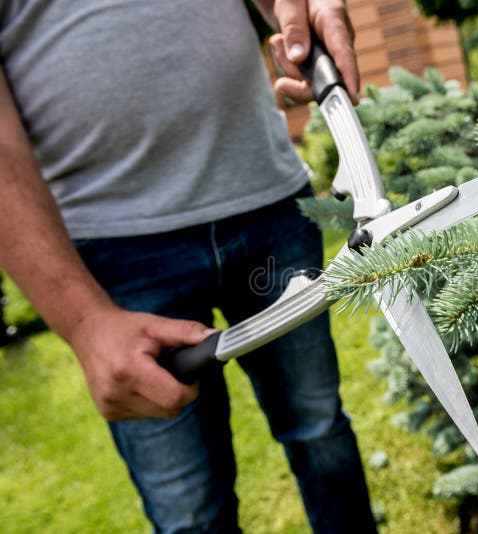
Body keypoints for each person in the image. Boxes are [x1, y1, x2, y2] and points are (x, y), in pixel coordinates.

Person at [0, 1, 375, 532]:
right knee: (190, 511)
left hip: (270, 204)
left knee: (320, 429)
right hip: (118, 254)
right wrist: (85, 322)